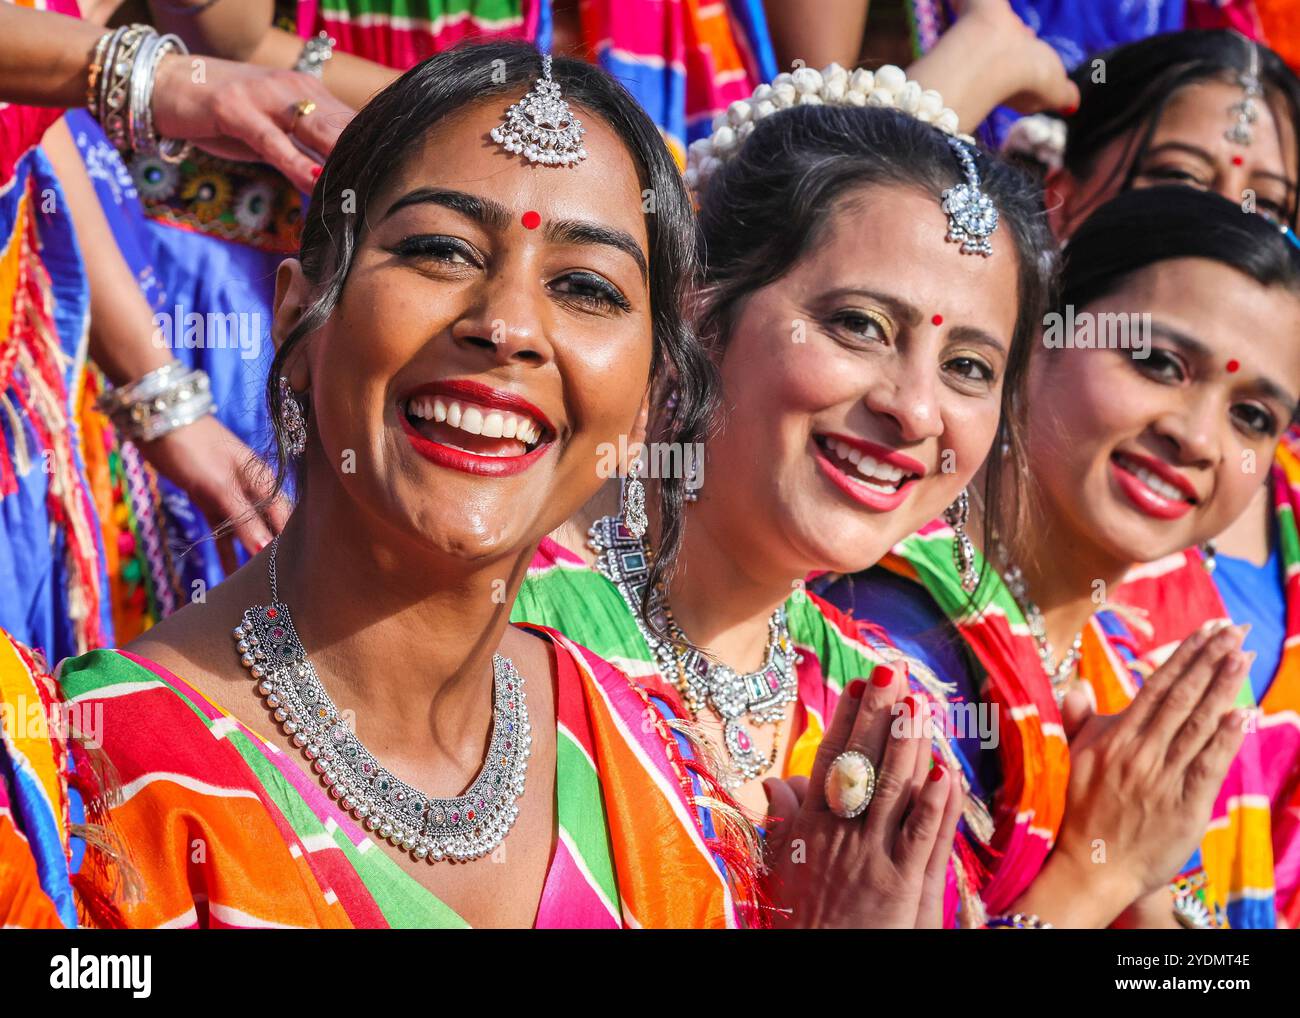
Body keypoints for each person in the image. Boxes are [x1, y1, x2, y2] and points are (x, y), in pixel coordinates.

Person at [28, 42, 867, 929]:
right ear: (298, 318)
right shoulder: (95, 788)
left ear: (650, 402)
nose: (506, 327)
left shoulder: (649, 753)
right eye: (439, 250)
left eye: (585, 286)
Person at [512, 56, 1056, 926]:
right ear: (697, 312)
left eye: (967, 368)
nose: (914, 408)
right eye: (858, 326)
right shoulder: (492, 620)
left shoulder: (882, 709)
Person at [820, 186, 1300, 927]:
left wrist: (1143, 890)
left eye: (1251, 416)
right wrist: (1093, 873)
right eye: (1159, 362)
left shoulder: (1125, 675)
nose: (1198, 438)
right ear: (1037, 334)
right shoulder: (888, 637)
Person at [1042, 28, 1300, 926]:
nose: (1231, 228)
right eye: (1184, 183)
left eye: (1270, 203)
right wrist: (1095, 876)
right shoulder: (900, 600)